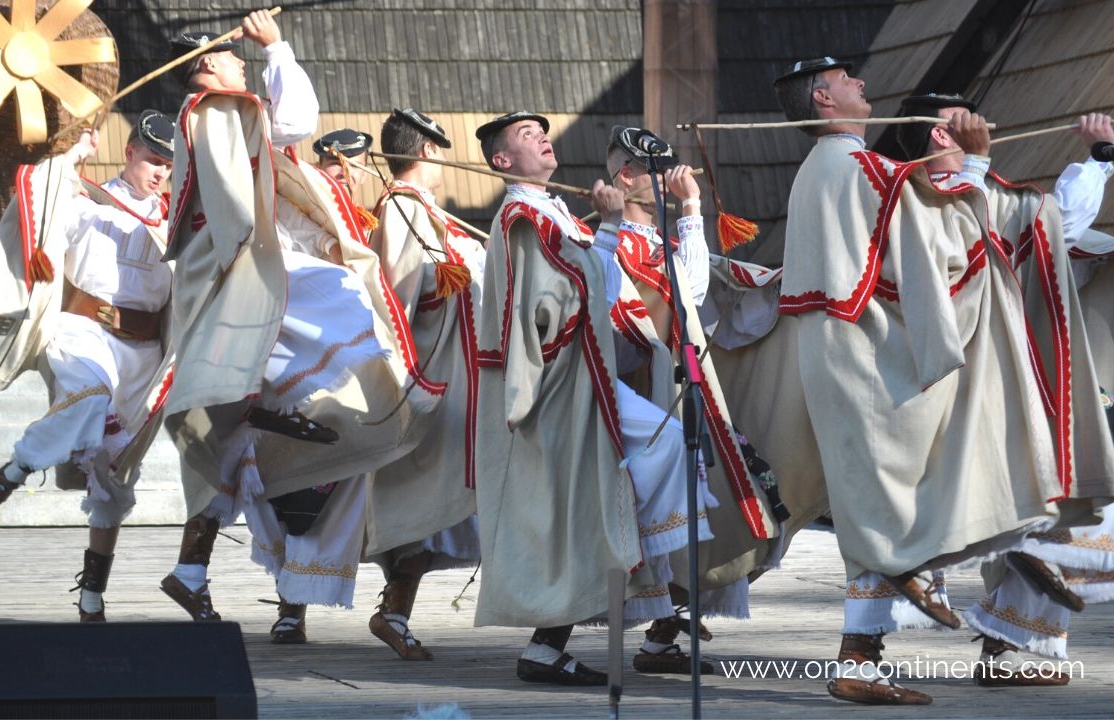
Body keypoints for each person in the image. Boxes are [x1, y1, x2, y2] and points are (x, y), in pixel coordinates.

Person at [771, 57, 1114, 704]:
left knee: (882, 507)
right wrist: (984, 170)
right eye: (849, 80)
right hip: (883, 367)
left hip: (853, 361)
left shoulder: (824, 174)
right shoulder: (869, 173)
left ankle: (865, 658)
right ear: (823, 99)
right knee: (963, 478)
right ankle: (1010, 599)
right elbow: (957, 247)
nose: (863, 84)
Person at [897, 93, 1114, 685]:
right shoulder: (919, 200)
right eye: (958, 123)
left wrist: (1098, 159)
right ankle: (1028, 579)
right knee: (1093, 489)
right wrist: (1093, 160)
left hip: (1028, 371)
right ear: (940, 138)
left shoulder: (983, 192)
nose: (977, 126)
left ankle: (1013, 636)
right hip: (983, 384)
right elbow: (1035, 224)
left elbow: (1053, 221)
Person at [473, 111, 721, 686]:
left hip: (588, 379)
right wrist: (609, 228)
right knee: (637, 476)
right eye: (526, 136)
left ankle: (644, 610)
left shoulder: (548, 210)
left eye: (543, 131)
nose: (542, 136)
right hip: (564, 385)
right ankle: (637, 612)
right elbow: (576, 296)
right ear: (502, 162)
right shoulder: (521, 215)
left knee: (642, 478)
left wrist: (606, 229)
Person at [157, 10, 386, 622]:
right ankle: (284, 401)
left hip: (229, 271)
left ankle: (188, 573)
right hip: (237, 273)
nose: (241, 62)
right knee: (344, 291)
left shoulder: (213, 113)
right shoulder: (217, 109)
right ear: (206, 64)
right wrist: (278, 47)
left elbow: (279, 140)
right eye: (231, 56)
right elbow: (290, 128)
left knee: (225, 447)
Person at [0, 111, 175, 622]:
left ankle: (92, 596)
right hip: (84, 329)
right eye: (153, 160)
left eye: (169, 167)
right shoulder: (82, 198)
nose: (160, 173)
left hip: (144, 353)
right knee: (92, 394)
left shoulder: (174, 220)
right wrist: (73, 148)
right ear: (129, 152)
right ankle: (18, 466)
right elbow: (37, 197)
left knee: (114, 479)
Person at [604, 126, 776, 673]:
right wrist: (693, 208)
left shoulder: (657, 243)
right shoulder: (617, 244)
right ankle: (555, 642)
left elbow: (695, 290)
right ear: (627, 176)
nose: (664, 179)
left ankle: (664, 633)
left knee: (709, 506)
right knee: (664, 514)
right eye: (653, 171)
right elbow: (691, 289)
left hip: (678, 386)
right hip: (645, 395)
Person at [363, 107, 485, 660]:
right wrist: (407, 382)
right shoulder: (402, 211)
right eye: (441, 147)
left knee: (440, 496)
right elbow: (397, 300)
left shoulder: (429, 214)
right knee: (425, 493)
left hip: (461, 374)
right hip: (435, 377)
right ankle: (393, 611)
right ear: (429, 151)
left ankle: (394, 611)